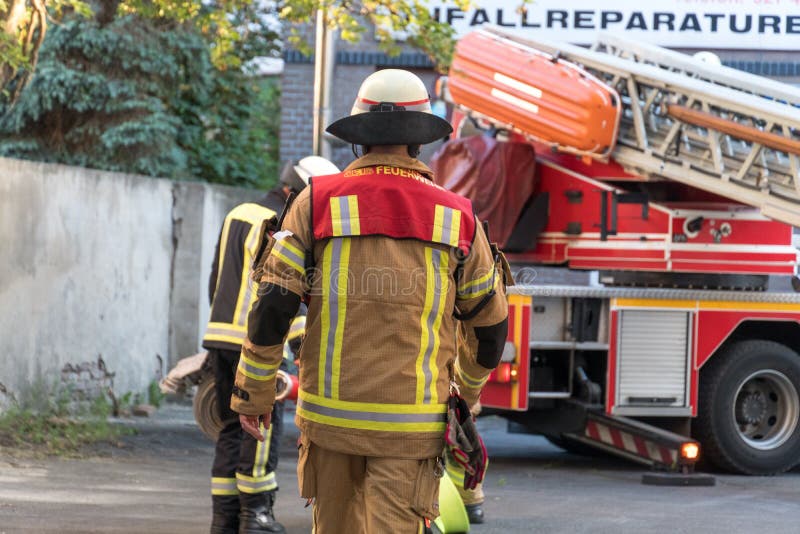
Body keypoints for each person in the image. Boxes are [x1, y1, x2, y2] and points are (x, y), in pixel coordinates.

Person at [230, 69, 509, 534]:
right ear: (419, 143)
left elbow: (273, 306)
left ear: (359, 140)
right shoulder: (457, 217)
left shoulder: (315, 202)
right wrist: (467, 393)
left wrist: (253, 393)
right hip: (412, 430)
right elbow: (490, 328)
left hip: (328, 424)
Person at [205, 156, 340, 534]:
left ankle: (224, 518)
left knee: (231, 427)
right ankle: (256, 515)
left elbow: (217, 275)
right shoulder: (281, 225)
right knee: (260, 427)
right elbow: (279, 293)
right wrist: (301, 346)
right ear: (295, 192)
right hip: (259, 340)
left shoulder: (238, 213)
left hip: (220, 335)